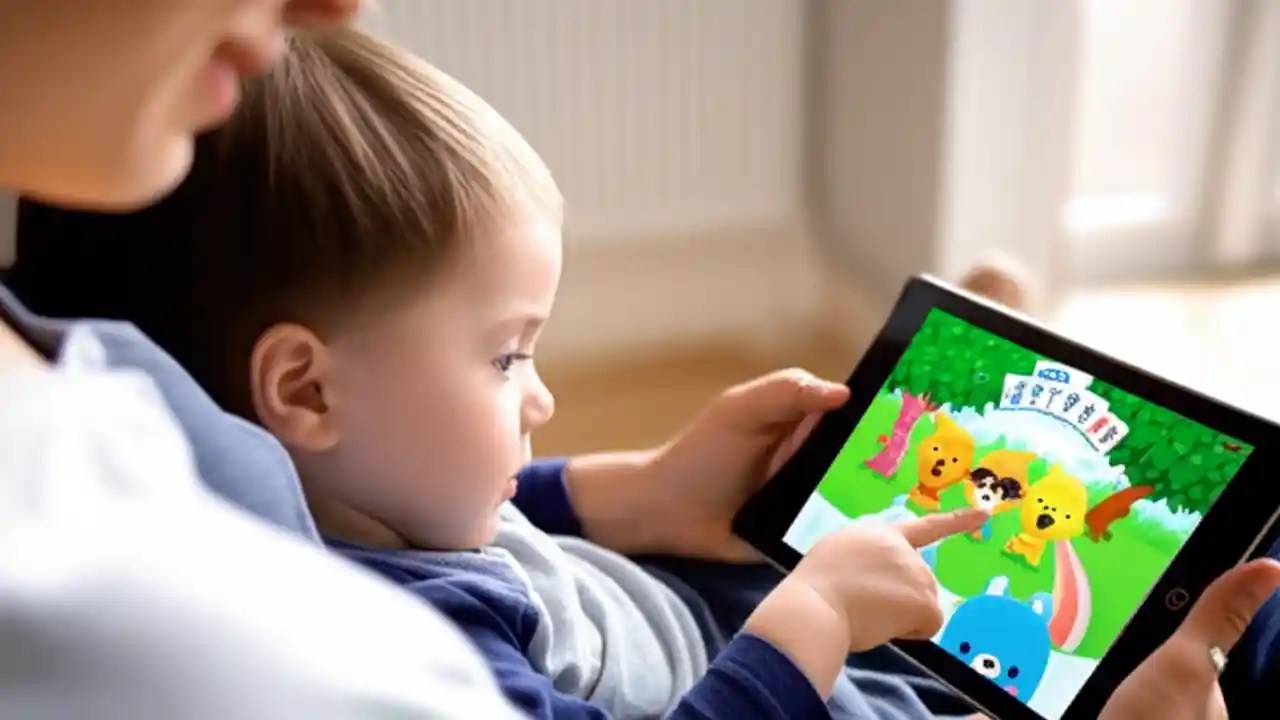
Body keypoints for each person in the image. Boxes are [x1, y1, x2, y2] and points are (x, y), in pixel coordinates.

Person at [0, 2, 1274, 719]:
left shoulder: (282, 474)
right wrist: (813, 620)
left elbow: (419, 501)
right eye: (506, 358)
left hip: (672, 599)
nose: (540, 395)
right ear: (307, 388)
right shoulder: (421, 635)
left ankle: (993, 341)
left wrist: (620, 488)